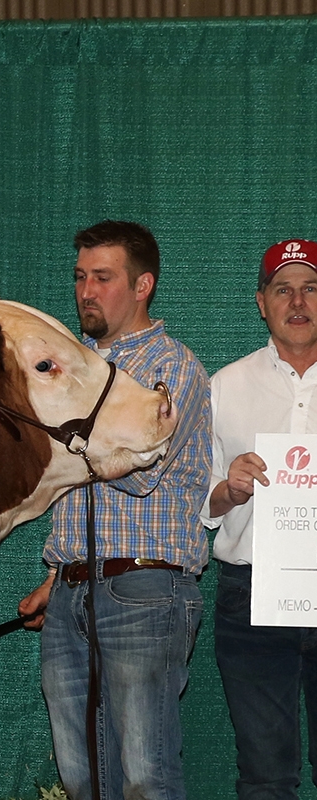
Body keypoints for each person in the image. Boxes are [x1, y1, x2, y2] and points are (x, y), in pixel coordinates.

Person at [16, 220, 211, 800]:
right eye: (80, 277)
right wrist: (57, 573)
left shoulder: (170, 367)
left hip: (145, 586)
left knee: (144, 775)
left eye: (103, 277)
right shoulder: (72, 371)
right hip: (75, 587)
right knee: (81, 777)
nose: (86, 291)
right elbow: (68, 481)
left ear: (143, 284)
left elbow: (142, 468)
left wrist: (67, 434)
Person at [202, 238, 317, 800]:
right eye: (283, 289)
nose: (298, 302)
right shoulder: (224, 387)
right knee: (266, 776)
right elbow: (200, 501)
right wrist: (229, 488)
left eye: (311, 288)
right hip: (251, 596)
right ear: (261, 302)